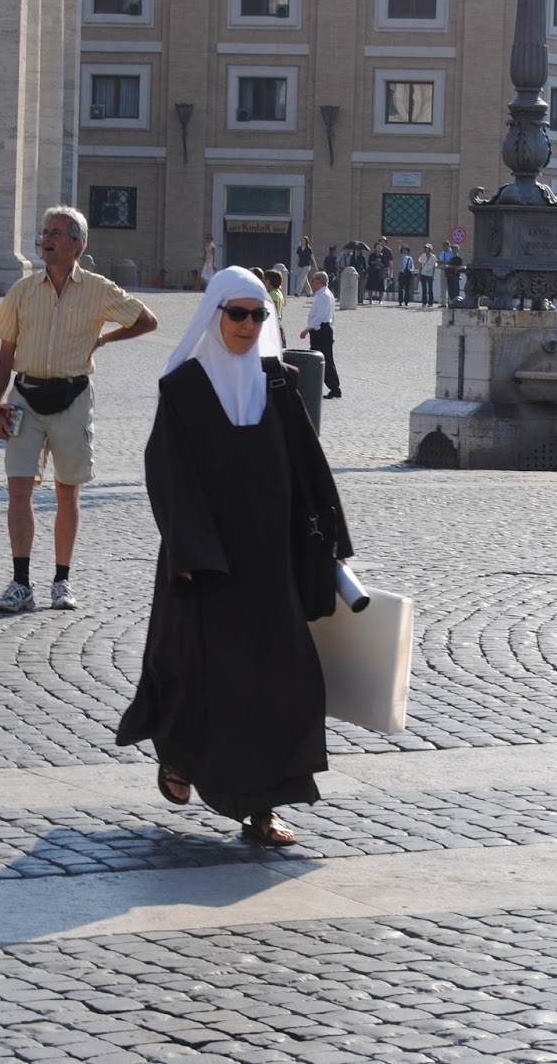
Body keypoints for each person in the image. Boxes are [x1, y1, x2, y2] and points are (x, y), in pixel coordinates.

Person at [116, 266, 354, 848]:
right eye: (237, 314)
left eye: (258, 315)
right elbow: (168, 474)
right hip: (207, 564)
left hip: (270, 562)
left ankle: (264, 808)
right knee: (200, 676)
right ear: (215, 314)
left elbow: (307, 470)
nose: (248, 325)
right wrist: (192, 549)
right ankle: (177, 757)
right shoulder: (184, 388)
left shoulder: (278, 383)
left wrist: (327, 545)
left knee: (283, 682)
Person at [0, 205, 159, 612]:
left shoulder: (99, 289)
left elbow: (147, 321)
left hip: (73, 396)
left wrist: (105, 340)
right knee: (18, 490)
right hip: (24, 397)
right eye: (44, 232)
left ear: (77, 244)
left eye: (56, 233)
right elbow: (4, 353)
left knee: (68, 492)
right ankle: (20, 583)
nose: (46, 239)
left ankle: (62, 581)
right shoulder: (23, 290)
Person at [301, 270, 340, 399]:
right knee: (323, 359)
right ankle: (331, 386)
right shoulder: (323, 294)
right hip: (323, 330)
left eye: (313, 280)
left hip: (321, 331)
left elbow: (320, 316)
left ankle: (333, 387)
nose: (311, 283)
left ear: (319, 281)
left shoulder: (323, 295)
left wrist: (307, 329)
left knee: (321, 360)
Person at [262, 268, 287, 348]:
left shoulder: (273, 294)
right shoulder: (278, 292)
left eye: (264, 281)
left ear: (269, 282)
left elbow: (274, 311)